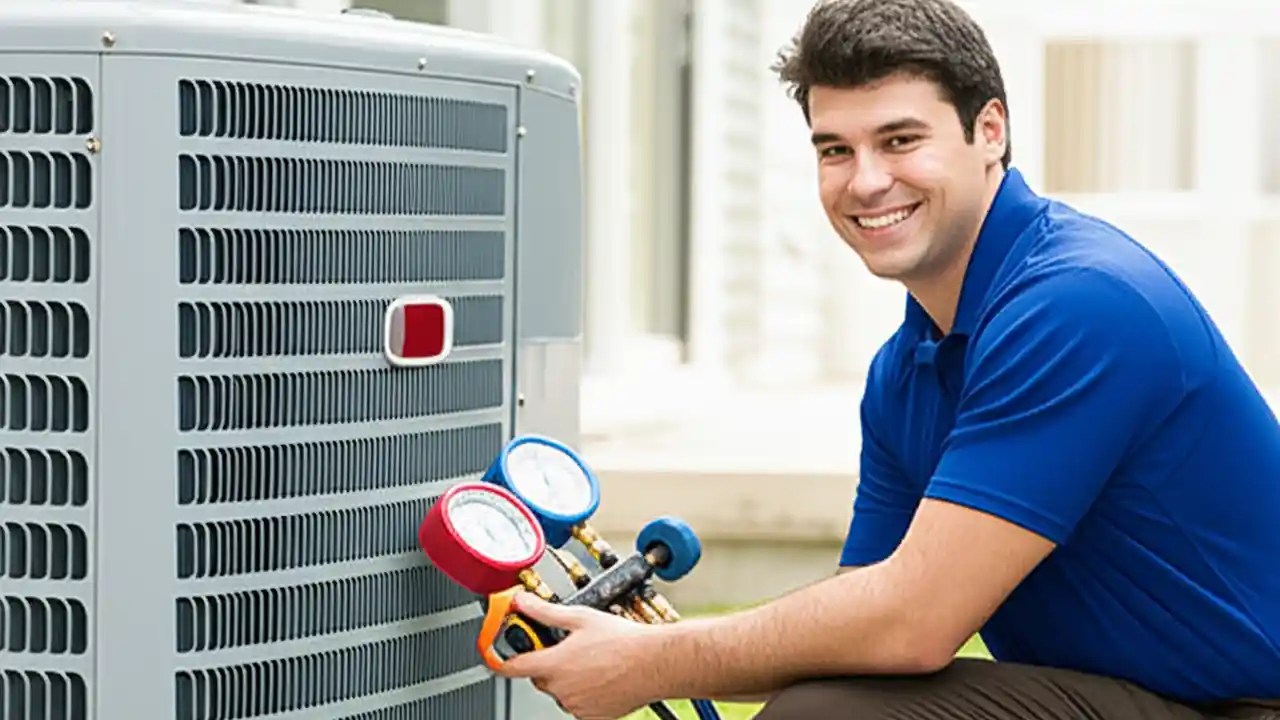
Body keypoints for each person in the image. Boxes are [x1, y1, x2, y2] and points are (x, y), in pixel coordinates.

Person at [495, 0, 1280, 717]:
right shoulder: (904, 371)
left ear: (990, 132)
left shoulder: (1080, 301)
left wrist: (656, 661)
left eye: (900, 140)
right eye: (835, 149)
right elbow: (858, 627)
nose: (866, 181)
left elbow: (912, 625)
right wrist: (637, 651)